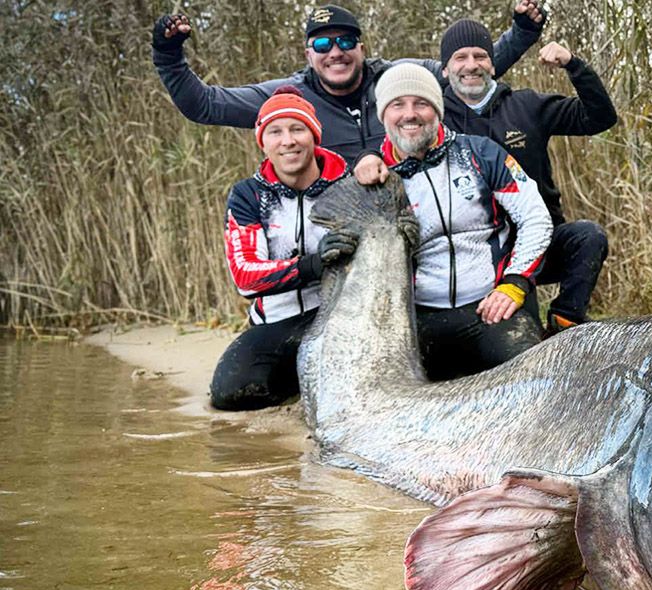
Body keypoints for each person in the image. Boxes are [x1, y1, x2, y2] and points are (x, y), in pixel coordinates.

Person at [358, 19, 617, 335]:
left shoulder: (527, 105)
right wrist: (368, 155)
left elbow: (600, 117)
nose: (471, 65)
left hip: (533, 237)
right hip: (478, 251)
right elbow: (397, 132)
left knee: (587, 236)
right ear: (444, 69)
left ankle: (565, 322)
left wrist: (574, 65)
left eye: (480, 56)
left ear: (493, 64)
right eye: (460, 57)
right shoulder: (432, 116)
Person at [151, 3, 547, 163]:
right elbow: (204, 105)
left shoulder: (398, 78)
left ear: (361, 46)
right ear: (309, 54)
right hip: (336, 228)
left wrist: (523, 31)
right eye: (322, 43)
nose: (335, 52)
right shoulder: (290, 95)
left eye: (345, 41)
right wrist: (168, 55)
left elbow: (466, 72)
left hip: (412, 218)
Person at [358, 64, 552, 380]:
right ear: (383, 116)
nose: (410, 114)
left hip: (491, 308)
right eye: (398, 105)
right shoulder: (374, 179)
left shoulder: (481, 153)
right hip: (418, 319)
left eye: (421, 103)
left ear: (438, 110)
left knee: (532, 378)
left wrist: (514, 283)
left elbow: (535, 218)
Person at [210, 87, 353, 410]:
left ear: (314, 136)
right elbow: (245, 276)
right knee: (230, 392)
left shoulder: (346, 185)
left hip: (336, 319)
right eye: (275, 132)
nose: (288, 141)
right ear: (263, 143)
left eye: (297, 129)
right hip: (276, 323)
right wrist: (313, 265)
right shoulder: (248, 195)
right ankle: (297, 385)